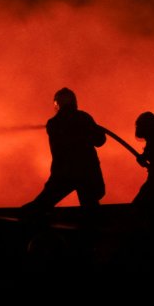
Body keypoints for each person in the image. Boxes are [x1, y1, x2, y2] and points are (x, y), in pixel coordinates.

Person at [22, 87, 107, 216]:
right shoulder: (83, 118)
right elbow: (100, 140)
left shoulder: (53, 123)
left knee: (42, 204)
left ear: (57, 103)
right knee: (91, 206)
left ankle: (24, 218)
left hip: (64, 172)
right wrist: (96, 131)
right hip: (86, 170)